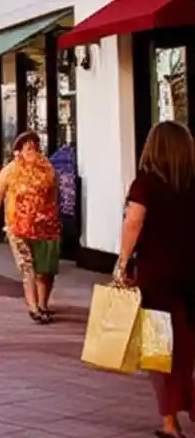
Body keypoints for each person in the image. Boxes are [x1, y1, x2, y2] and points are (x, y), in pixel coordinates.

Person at [116, 121, 195, 438]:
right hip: (191, 277)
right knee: (186, 351)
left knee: (159, 351)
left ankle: (170, 422)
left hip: (156, 280)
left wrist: (122, 263)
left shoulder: (145, 184)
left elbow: (134, 222)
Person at [0, 131, 61, 323]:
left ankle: (43, 305)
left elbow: (54, 195)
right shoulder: (9, 171)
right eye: (26, 146)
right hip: (18, 227)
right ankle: (33, 308)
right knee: (28, 268)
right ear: (18, 150)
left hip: (46, 227)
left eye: (33, 146)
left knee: (46, 270)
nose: (30, 149)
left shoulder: (47, 169)